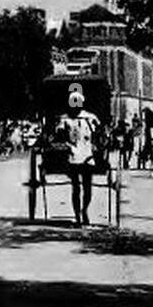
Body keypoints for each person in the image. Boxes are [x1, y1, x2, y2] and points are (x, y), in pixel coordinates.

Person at [59, 86, 101, 226]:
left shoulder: (90, 117)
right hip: (73, 156)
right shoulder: (65, 119)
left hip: (87, 156)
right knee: (76, 188)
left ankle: (84, 211)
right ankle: (77, 214)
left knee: (87, 188)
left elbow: (98, 133)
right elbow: (59, 135)